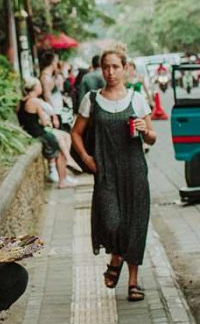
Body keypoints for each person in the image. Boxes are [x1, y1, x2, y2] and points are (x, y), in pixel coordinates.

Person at [71, 46, 155, 302]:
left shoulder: (137, 98)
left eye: (115, 66)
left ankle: (132, 281)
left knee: (135, 225)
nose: (110, 72)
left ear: (125, 68)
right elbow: (75, 133)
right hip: (106, 172)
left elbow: (153, 137)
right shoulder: (92, 99)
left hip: (135, 170)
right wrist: (87, 159)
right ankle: (116, 257)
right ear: (101, 69)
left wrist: (144, 130)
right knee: (112, 221)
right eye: (106, 67)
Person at [17, 79, 76, 187]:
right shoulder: (34, 101)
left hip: (30, 131)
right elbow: (44, 121)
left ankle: (65, 170)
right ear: (35, 88)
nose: (41, 88)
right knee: (60, 145)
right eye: (39, 85)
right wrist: (49, 121)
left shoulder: (22, 101)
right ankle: (63, 178)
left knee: (64, 137)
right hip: (38, 133)